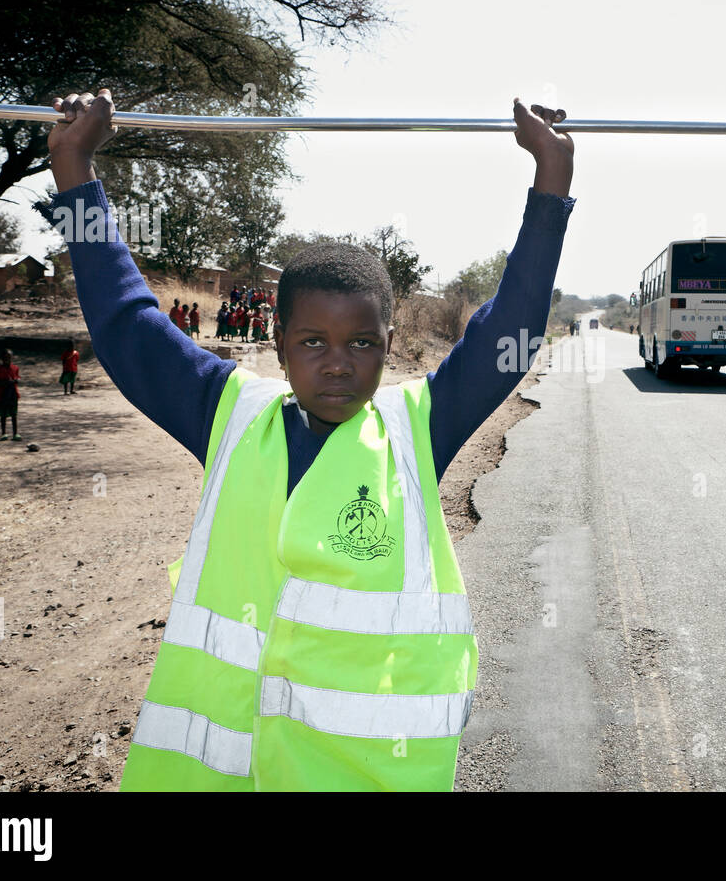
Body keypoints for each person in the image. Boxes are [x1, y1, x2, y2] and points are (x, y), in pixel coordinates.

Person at [36, 87, 574, 791]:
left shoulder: (418, 431)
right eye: (313, 341)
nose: (338, 362)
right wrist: (74, 166)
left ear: (391, 345)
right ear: (279, 343)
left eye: (362, 343)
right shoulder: (225, 414)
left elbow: (512, 329)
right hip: (216, 773)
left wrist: (551, 182)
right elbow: (126, 323)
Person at [0, 348, 21, 441]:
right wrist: (5, 383)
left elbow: (17, 377)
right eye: (5, 357)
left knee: (14, 414)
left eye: (9, 357)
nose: (7, 359)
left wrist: (16, 380)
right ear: (1, 358)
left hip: (13, 394)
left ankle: (15, 433)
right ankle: (4, 433)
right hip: (3, 394)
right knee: (3, 415)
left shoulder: (15, 368)